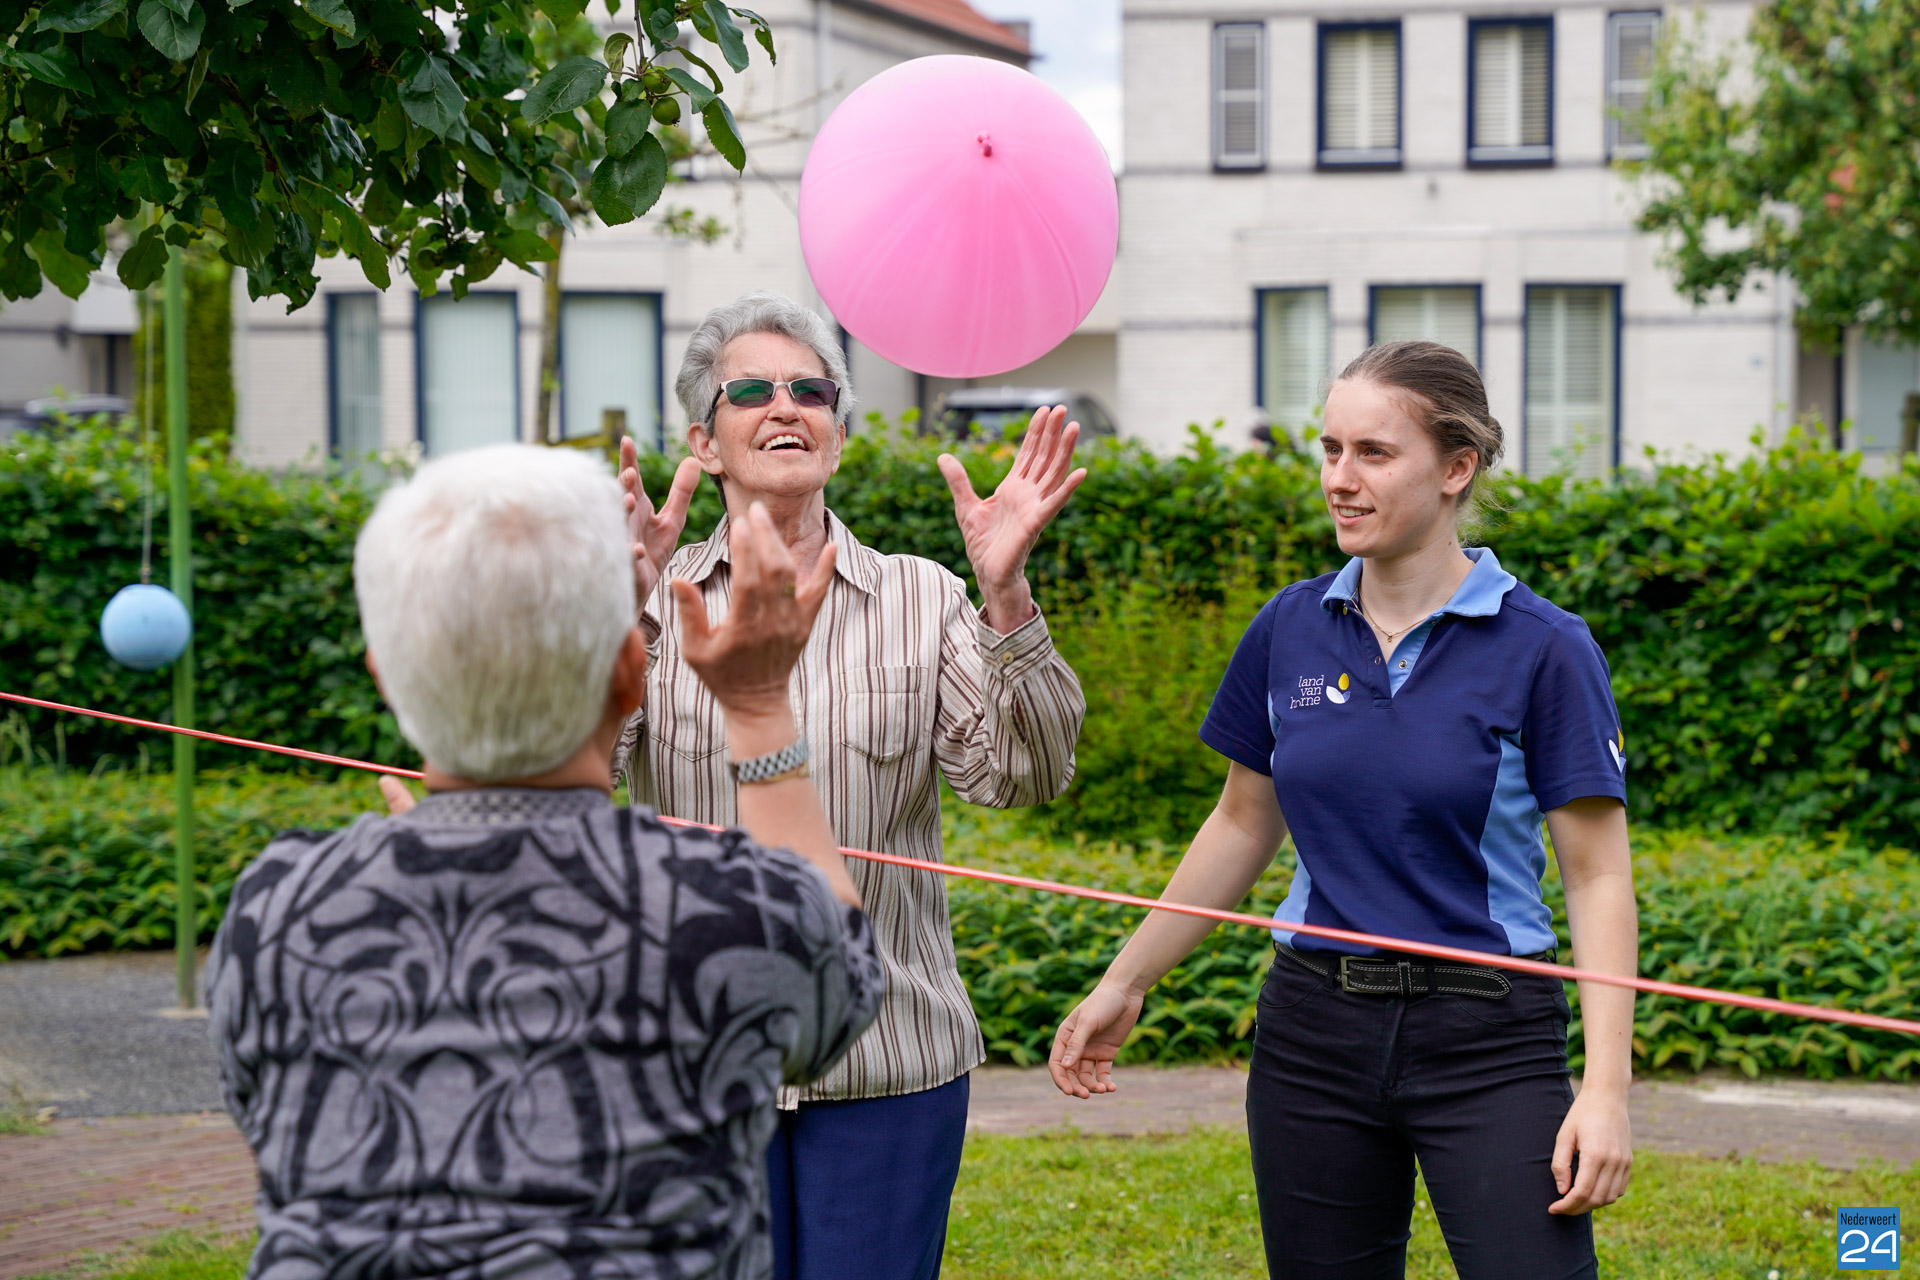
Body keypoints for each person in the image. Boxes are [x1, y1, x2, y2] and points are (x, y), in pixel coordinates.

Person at [206, 443, 884, 1280]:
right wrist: (756, 707)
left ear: (386, 678)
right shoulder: (721, 911)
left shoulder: (276, 909)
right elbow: (842, 983)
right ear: (634, 673)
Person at [1047, 340, 1639, 1280]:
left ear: (1455, 469)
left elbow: (1599, 876)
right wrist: (1127, 980)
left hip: (1488, 1034)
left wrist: (1607, 1090)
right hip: (1313, 1030)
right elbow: (1242, 822)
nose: (1340, 480)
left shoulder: (1546, 648)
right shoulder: (1289, 627)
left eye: (1373, 453)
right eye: (1329, 451)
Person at [614, 290, 1087, 1280]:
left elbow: (1024, 774)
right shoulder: (651, 593)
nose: (786, 406)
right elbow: (578, 775)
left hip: (889, 1061)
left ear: (840, 424)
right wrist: (623, 618)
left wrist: (1005, 595)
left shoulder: (924, 593)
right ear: (703, 437)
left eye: (811, 389)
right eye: (752, 389)